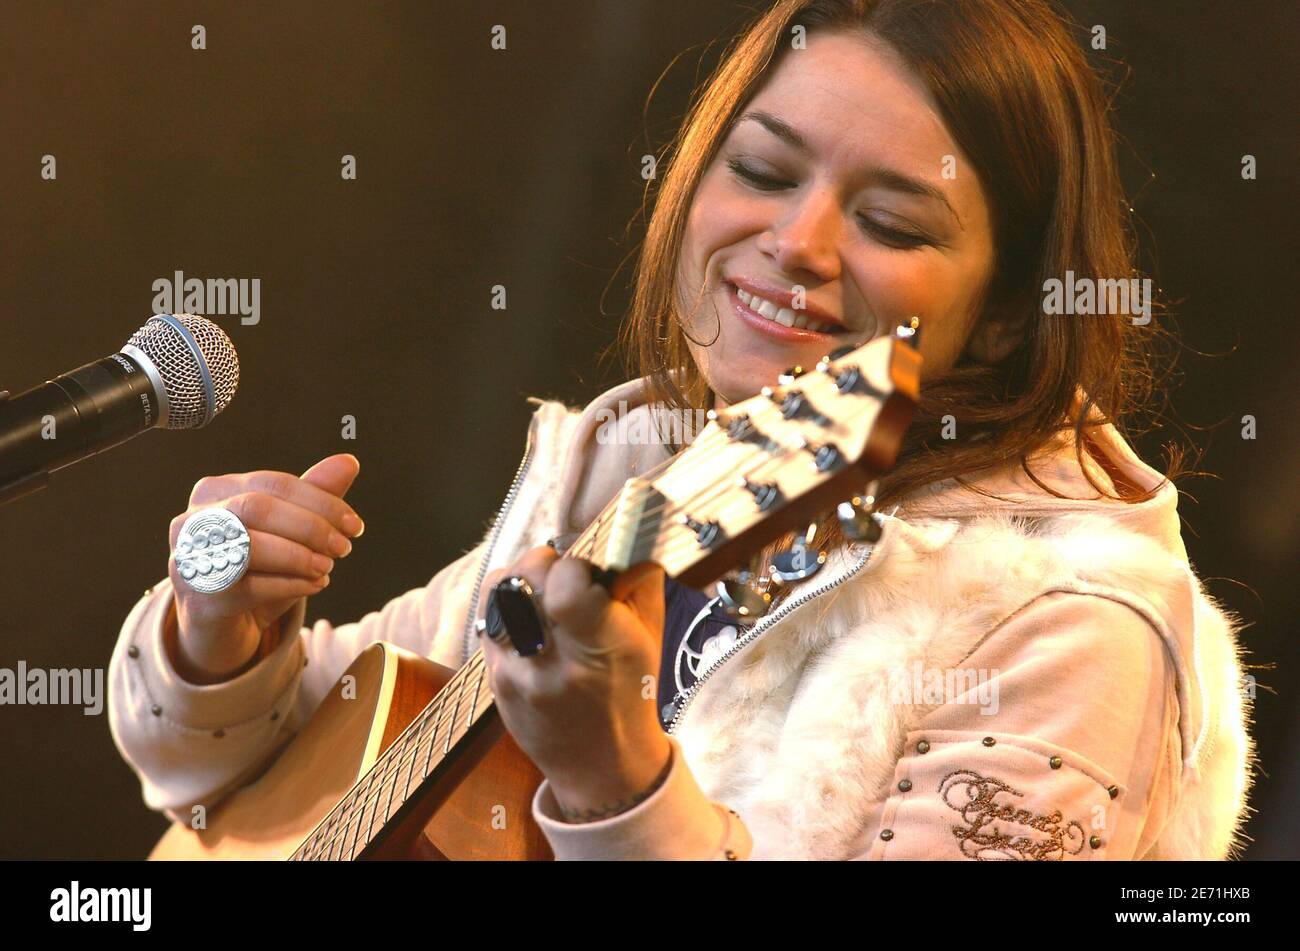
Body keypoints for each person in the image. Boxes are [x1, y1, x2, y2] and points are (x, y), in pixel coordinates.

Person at [107, 0, 1255, 860]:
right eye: (759, 169)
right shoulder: (640, 470)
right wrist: (218, 633)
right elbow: (240, 773)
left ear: (1005, 312)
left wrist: (616, 781)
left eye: (892, 221)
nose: (795, 242)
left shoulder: (1070, 623)